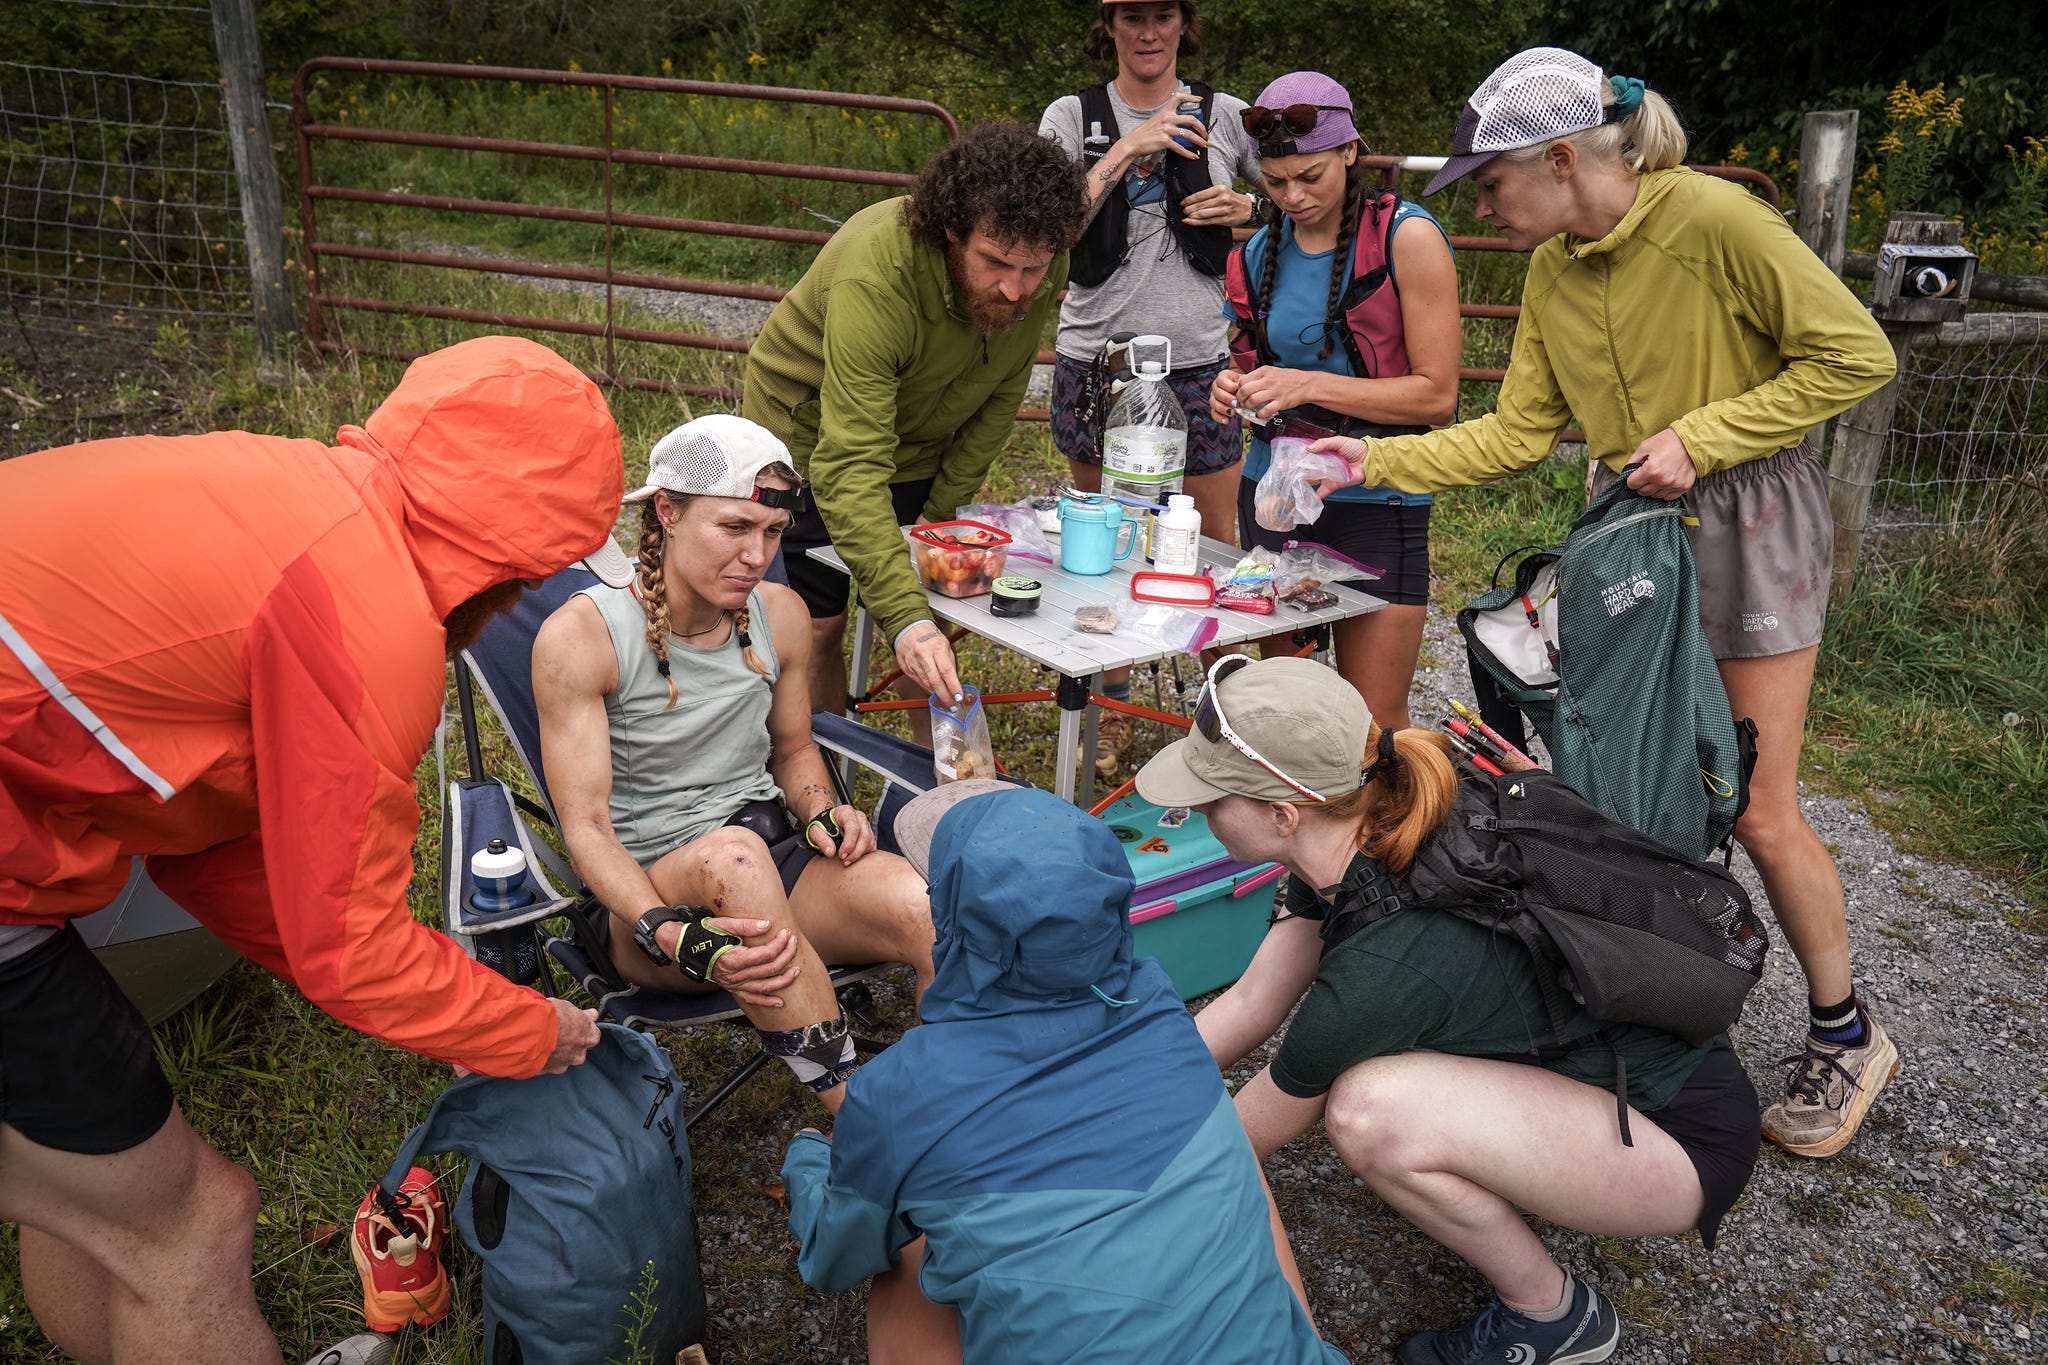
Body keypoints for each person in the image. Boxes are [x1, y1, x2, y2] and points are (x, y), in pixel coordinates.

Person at [1309, 48, 1900, 1158]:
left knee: (1754, 801)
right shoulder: (1548, 272)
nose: (1482, 207)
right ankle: (1635, 1011)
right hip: (1626, 529)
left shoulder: (1713, 222)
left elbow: (1853, 354)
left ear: (1563, 158)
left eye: (1491, 184)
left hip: (1749, 519)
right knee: (1619, 792)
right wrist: (1367, 463)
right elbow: (1517, 433)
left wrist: (1703, 435)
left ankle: (1845, 1033)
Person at [0, 336, 623, 1365]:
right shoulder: (369, 616)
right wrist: (525, 1028)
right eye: (535, 578)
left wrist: (451, 1013)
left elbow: (219, 858)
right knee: (191, 1225)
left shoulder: (295, 495)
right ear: (505, 564)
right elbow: (351, 951)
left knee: (91, 1192)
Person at [1135, 655, 1761, 1365]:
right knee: (1383, 1074)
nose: (1195, 812)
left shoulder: (1381, 968)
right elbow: (1253, 998)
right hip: (1630, 1077)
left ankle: (1552, 1313)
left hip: (1678, 1141)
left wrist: (1119, 1183)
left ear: (1283, 814)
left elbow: (1233, 1143)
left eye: (1211, 796)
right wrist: (1133, 1087)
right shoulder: (1372, 819)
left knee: (1368, 1108)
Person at [782, 779, 1348, 1365]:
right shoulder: (1156, 1008)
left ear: (951, 921)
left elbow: (835, 1257)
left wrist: (809, 1159)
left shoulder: (901, 1094)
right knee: (1224, 1163)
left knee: (908, 1239)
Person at [532, 415, 937, 1110]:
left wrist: (821, 809)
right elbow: (588, 827)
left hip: (774, 860)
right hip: (657, 912)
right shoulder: (583, 637)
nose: (756, 554)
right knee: (737, 857)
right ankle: (875, 1137)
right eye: (735, 528)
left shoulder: (777, 614)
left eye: (772, 534)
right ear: (667, 510)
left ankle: (961, 1110)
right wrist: (664, 925)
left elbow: (793, 749)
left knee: (926, 909)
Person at [743, 121, 1089, 715]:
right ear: (953, 229)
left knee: (926, 620)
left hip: (917, 439)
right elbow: (848, 462)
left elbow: (1000, 397)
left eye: (1034, 270)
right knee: (817, 627)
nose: (1016, 290)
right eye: (997, 264)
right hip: (806, 441)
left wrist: (939, 509)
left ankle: (937, 783)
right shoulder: (878, 275)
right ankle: (822, 773)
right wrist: (902, 616)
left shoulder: (1038, 259)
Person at [1038, 0, 1263, 777]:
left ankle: (1224, 715)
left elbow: (1309, 198)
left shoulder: (1228, 115)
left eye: (1161, 14)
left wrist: (1250, 209)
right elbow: (1048, 222)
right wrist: (1130, 145)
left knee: (1212, 542)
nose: (1147, 31)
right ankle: (1110, 708)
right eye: (1131, 15)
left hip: (1199, 361)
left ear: (1182, 22)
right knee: (1101, 542)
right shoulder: (1072, 115)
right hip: (1097, 359)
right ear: (1111, 25)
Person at [1207, 72, 1461, 729]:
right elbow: (1264, 378)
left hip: (1378, 497)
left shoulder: (1406, 237)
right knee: (1287, 711)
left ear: (1350, 152)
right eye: (1275, 180)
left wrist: (1308, 383)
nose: (1293, 196)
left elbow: (1438, 397)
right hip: (1275, 497)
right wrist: (1235, 389)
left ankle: (1385, 835)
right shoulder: (1260, 251)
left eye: (1311, 177)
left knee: (1375, 717)